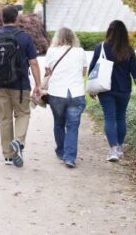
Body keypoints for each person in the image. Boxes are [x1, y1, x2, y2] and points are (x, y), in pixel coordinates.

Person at [0, 5, 41, 167]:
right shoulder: (24, 37)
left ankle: (8, 156)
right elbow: (33, 62)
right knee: (23, 113)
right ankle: (18, 141)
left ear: (2, 18)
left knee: (5, 118)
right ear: (16, 18)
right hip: (20, 85)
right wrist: (38, 84)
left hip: (0, 85)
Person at [89, 20, 136, 162]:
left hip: (105, 89)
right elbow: (135, 72)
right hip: (124, 89)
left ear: (109, 31)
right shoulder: (128, 50)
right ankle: (120, 147)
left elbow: (92, 69)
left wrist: (92, 89)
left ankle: (113, 150)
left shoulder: (101, 47)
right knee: (121, 117)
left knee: (109, 118)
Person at [44, 27, 87, 168]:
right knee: (73, 126)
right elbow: (83, 72)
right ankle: (70, 157)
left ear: (57, 38)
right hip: (76, 92)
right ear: (73, 38)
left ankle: (61, 151)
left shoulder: (51, 51)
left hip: (57, 93)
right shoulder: (80, 52)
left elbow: (48, 71)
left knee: (58, 123)